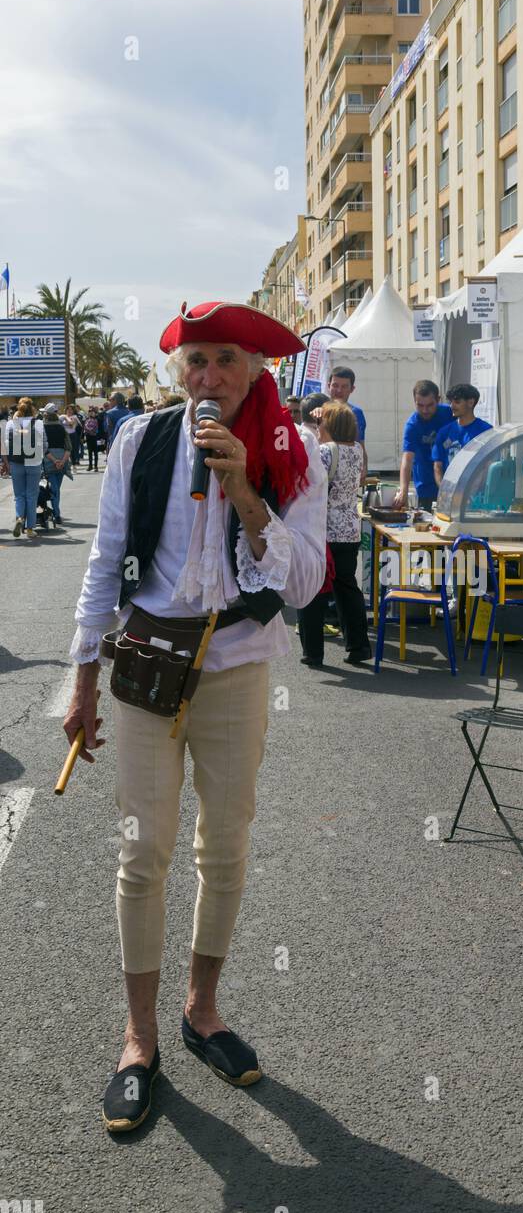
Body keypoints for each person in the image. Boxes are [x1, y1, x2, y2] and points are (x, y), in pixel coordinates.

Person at [63, 300, 326, 1132]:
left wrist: (245, 485)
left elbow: (304, 583)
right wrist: (78, 678)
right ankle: (139, 1039)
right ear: (180, 370)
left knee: (227, 844)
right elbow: (107, 557)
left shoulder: (296, 450)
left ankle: (200, 1008)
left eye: (224, 361)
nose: (207, 377)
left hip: (238, 668)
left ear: (254, 370)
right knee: (142, 853)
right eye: (195, 360)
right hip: (146, 664)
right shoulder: (140, 441)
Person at [297, 400, 371, 668]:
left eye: (321, 422)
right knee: (346, 588)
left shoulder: (326, 451)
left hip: (323, 530)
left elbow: (310, 483)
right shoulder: (355, 451)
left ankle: (313, 651)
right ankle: (359, 646)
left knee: (313, 589)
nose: (318, 427)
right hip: (349, 529)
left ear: (329, 424)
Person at [394, 380, 452, 510]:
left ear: (438, 399)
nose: (425, 410)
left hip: (451, 483)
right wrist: (403, 490)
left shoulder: (449, 414)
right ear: (414, 401)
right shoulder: (412, 425)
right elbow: (407, 459)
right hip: (426, 485)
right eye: (420, 405)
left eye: (430, 405)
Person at [432, 384, 493, 486]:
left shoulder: (486, 431)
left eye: (457, 402)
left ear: (470, 402)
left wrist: (471, 492)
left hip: (476, 496)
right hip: (450, 494)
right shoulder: (444, 432)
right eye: (451, 402)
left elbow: (488, 466)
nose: (452, 406)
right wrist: (444, 491)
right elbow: (437, 466)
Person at [5, 396, 46, 539]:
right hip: (34, 462)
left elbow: (6, 444)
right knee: (31, 496)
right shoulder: (39, 423)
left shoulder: (11, 424)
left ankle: (19, 519)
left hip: (16, 462)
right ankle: (30, 529)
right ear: (32, 409)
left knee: (19, 495)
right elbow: (45, 444)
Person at [327, 367, 367, 485]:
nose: (339, 390)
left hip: (346, 479)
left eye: (344, 386)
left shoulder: (357, 413)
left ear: (352, 389)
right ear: (328, 385)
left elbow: (361, 445)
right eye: (335, 385)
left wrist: (364, 467)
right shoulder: (319, 410)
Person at [42, 401, 73, 526]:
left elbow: (43, 449)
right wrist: (62, 461)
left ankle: (56, 513)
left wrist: (54, 461)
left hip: (49, 461)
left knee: (53, 488)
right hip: (62, 462)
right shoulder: (61, 428)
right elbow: (69, 447)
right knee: (56, 488)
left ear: (46, 415)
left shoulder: (42, 428)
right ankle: (56, 512)